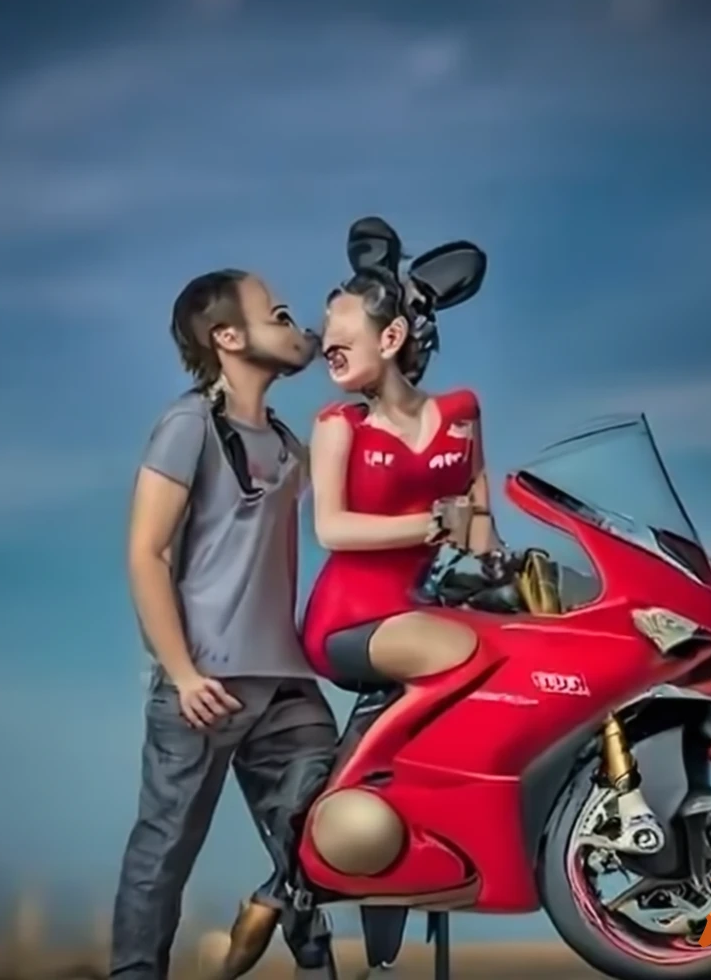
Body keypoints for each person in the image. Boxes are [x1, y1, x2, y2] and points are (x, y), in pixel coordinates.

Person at [110, 269, 339, 980]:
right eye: (278, 315)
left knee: (321, 830)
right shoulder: (187, 426)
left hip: (285, 678)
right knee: (165, 848)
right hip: (204, 684)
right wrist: (180, 673)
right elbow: (146, 551)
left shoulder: (285, 440)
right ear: (229, 337)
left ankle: (300, 948)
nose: (295, 326)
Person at [303, 215, 495, 694]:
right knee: (472, 653)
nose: (327, 343)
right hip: (350, 619)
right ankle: (362, 767)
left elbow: (477, 511)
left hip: (425, 605)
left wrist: (494, 564)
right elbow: (331, 528)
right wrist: (429, 526)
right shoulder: (338, 425)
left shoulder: (461, 412)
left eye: (342, 328)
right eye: (326, 330)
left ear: (390, 338)